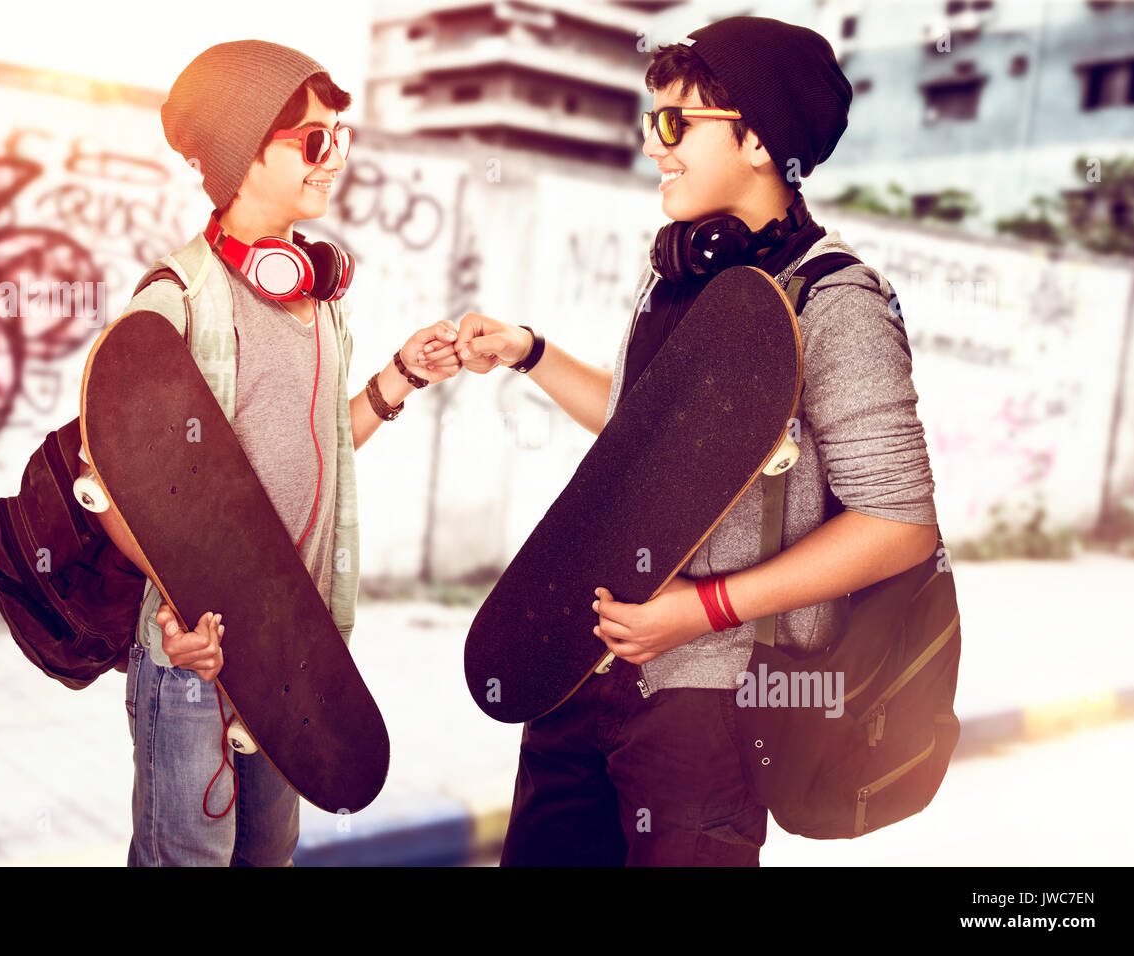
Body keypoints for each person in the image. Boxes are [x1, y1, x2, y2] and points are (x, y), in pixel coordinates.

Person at [445, 16, 940, 866]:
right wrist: (529, 353)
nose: (654, 147)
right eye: (651, 122)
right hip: (581, 671)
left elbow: (899, 524)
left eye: (675, 123)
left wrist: (698, 614)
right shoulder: (678, 272)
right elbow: (649, 438)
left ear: (757, 139)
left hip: (707, 708)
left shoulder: (834, 302)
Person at [89, 40, 462, 866]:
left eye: (342, 138)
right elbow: (108, 489)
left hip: (293, 656)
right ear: (240, 152)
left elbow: (327, 443)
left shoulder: (320, 304)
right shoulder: (175, 302)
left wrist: (399, 378)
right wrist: (182, 612)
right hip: (196, 662)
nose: (335, 161)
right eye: (314, 141)